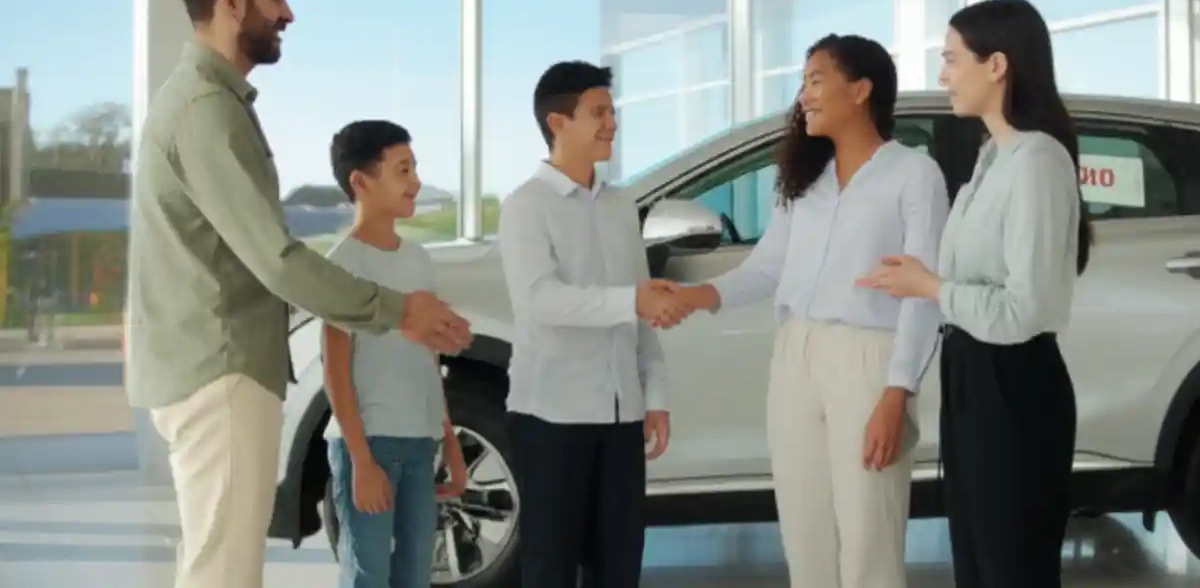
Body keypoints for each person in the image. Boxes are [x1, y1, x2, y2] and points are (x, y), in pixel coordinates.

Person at [125, 0, 472, 588]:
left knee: (212, 560)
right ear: (231, 0)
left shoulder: (207, 103)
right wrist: (399, 312)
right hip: (220, 371)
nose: (289, 12)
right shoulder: (206, 110)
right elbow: (277, 260)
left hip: (210, 367)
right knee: (224, 570)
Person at [670, 34, 950, 587]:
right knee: (805, 529)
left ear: (861, 90)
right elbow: (768, 269)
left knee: (869, 529)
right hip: (796, 353)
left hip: (869, 358)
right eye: (803, 84)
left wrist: (897, 393)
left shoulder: (914, 175)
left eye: (816, 81)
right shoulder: (803, 183)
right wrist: (693, 297)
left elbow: (923, 295)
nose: (804, 96)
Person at [858, 0, 1090, 588]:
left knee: (1010, 563)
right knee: (979, 562)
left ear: (997, 65)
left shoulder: (1037, 162)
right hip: (973, 374)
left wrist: (929, 285)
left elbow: (1027, 308)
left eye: (951, 58)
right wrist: (921, 277)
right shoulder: (994, 156)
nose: (942, 75)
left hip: (1012, 383)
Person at [498, 60, 683, 588]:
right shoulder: (525, 207)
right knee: (549, 568)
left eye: (612, 111)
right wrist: (632, 302)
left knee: (618, 567)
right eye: (598, 112)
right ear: (558, 122)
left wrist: (657, 394)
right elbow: (541, 301)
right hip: (551, 415)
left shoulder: (622, 205)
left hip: (621, 414)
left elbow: (638, 302)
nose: (612, 123)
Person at [321, 120, 469, 588]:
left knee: (416, 576)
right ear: (361, 182)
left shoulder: (418, 260)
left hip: (419, 441)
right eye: (402, 170)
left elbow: (430, 358)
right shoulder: (343, 265)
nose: (416, 181)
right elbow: (336, 372)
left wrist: (449, 441)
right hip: (369, 445)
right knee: (368, 574)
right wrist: (362, 462)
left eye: (415, 167)